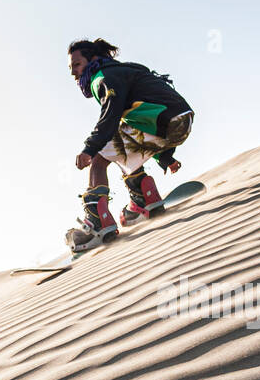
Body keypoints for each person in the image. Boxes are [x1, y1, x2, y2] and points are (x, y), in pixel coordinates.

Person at [65, 38, 195, 251]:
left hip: (161, 121)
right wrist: (165, 156)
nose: (74, 73)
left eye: (77, 65)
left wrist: (89, 149)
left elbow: (110, 116)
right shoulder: (125, 70)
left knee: (99, 158)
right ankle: (144, 198)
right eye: (71, 68)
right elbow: (148, 111)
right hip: (181, 121)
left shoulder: (103, 78)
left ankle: (97, 223)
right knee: (120, 143)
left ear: (94, 59)